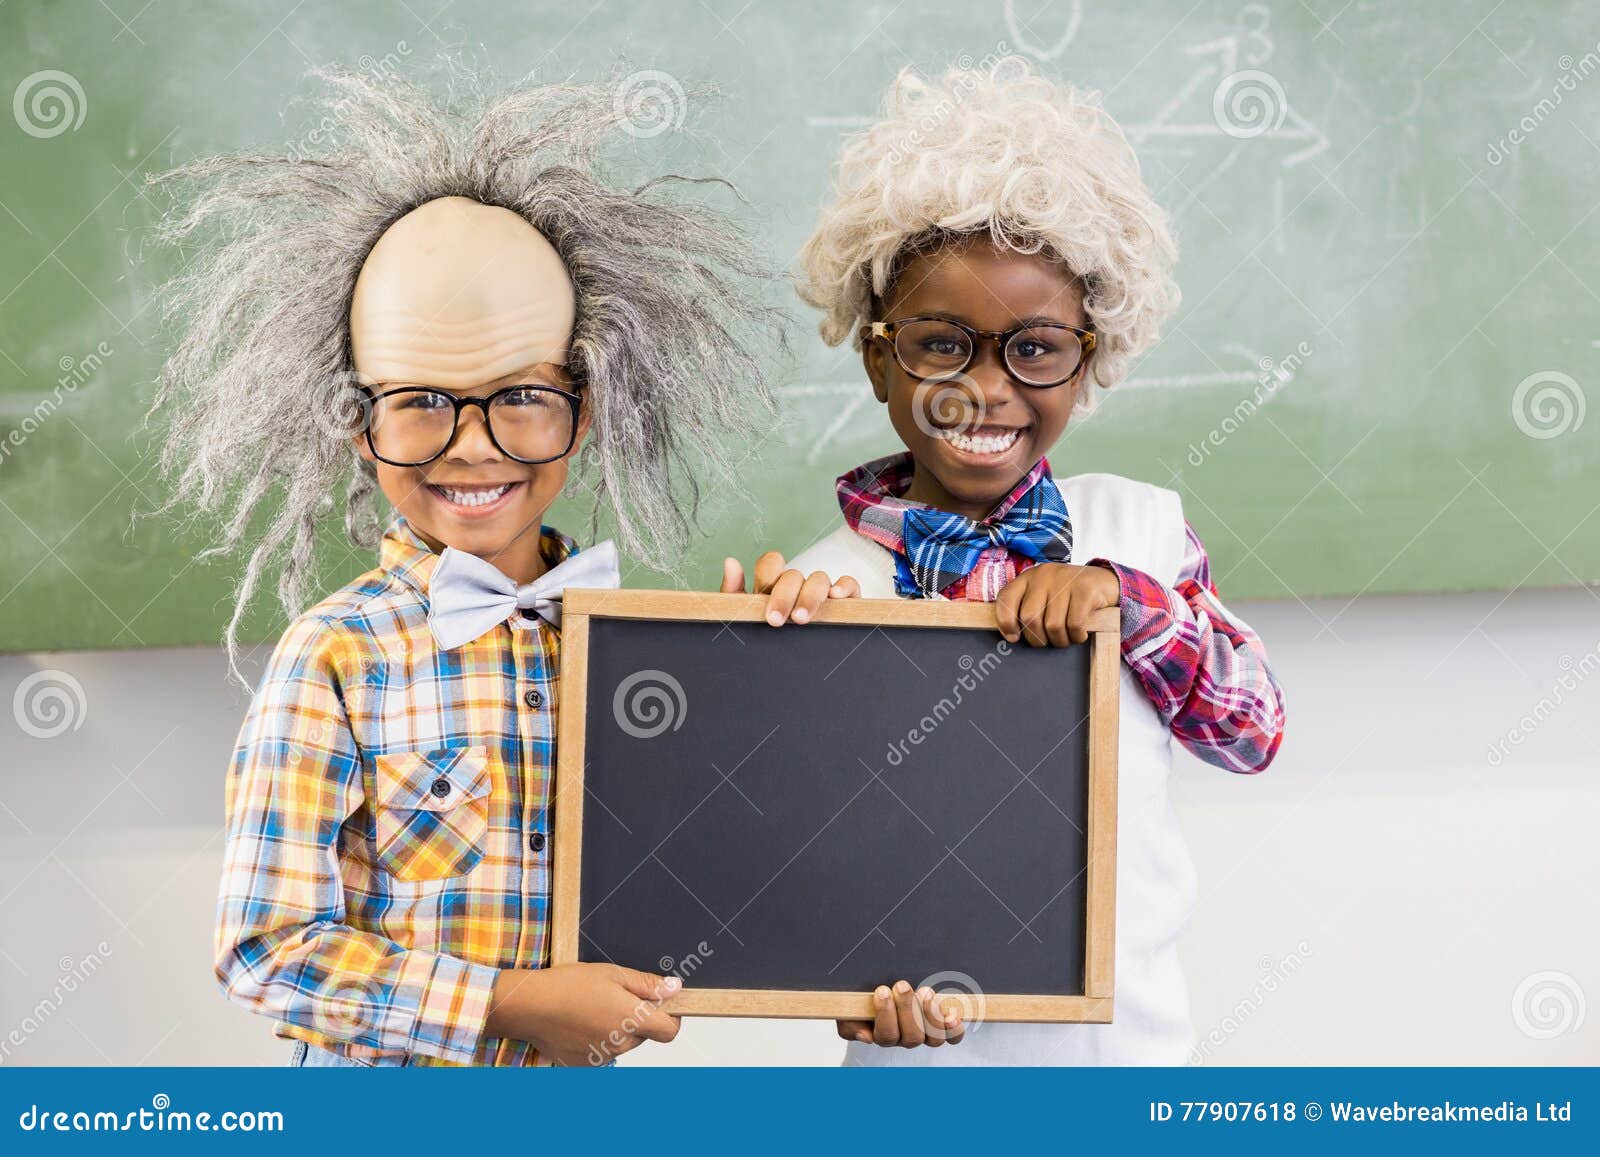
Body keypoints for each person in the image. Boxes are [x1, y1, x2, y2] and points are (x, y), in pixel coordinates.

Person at [150, 63, 778, 1066]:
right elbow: (264, 948)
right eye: (421, 399)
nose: (473, 446)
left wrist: (788, 677)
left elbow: (743, 878)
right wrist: (504, 1000)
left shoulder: (639, 652)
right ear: (354, 420)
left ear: (591, 399)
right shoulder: (336, 658)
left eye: (523, 393)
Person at [738, 56, 1286, 1064]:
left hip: (1127, 1064)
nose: (984, 390)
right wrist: (755, 671)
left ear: (1090, 357)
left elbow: (1250, 730)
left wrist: (1129, 603)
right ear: (875, 351)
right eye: (942, 345)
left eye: (1033, 349)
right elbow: (780, 867)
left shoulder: (1142, 535)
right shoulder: (823, 586)